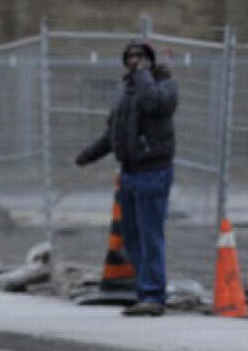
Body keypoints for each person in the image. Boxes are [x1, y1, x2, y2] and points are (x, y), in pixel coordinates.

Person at [74, 39, 179, 316]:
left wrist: (143, 74)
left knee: (150, 236)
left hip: (153, 172)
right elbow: (114, 133)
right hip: (130, 173)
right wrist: (89, 154)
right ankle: (144, 291)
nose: (135, 60)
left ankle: (153, 296)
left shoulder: (164, 85)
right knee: (132, 238)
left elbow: (154, 104)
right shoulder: (125, 91)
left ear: (150, 60)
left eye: (141, 56)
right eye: (130, 56)